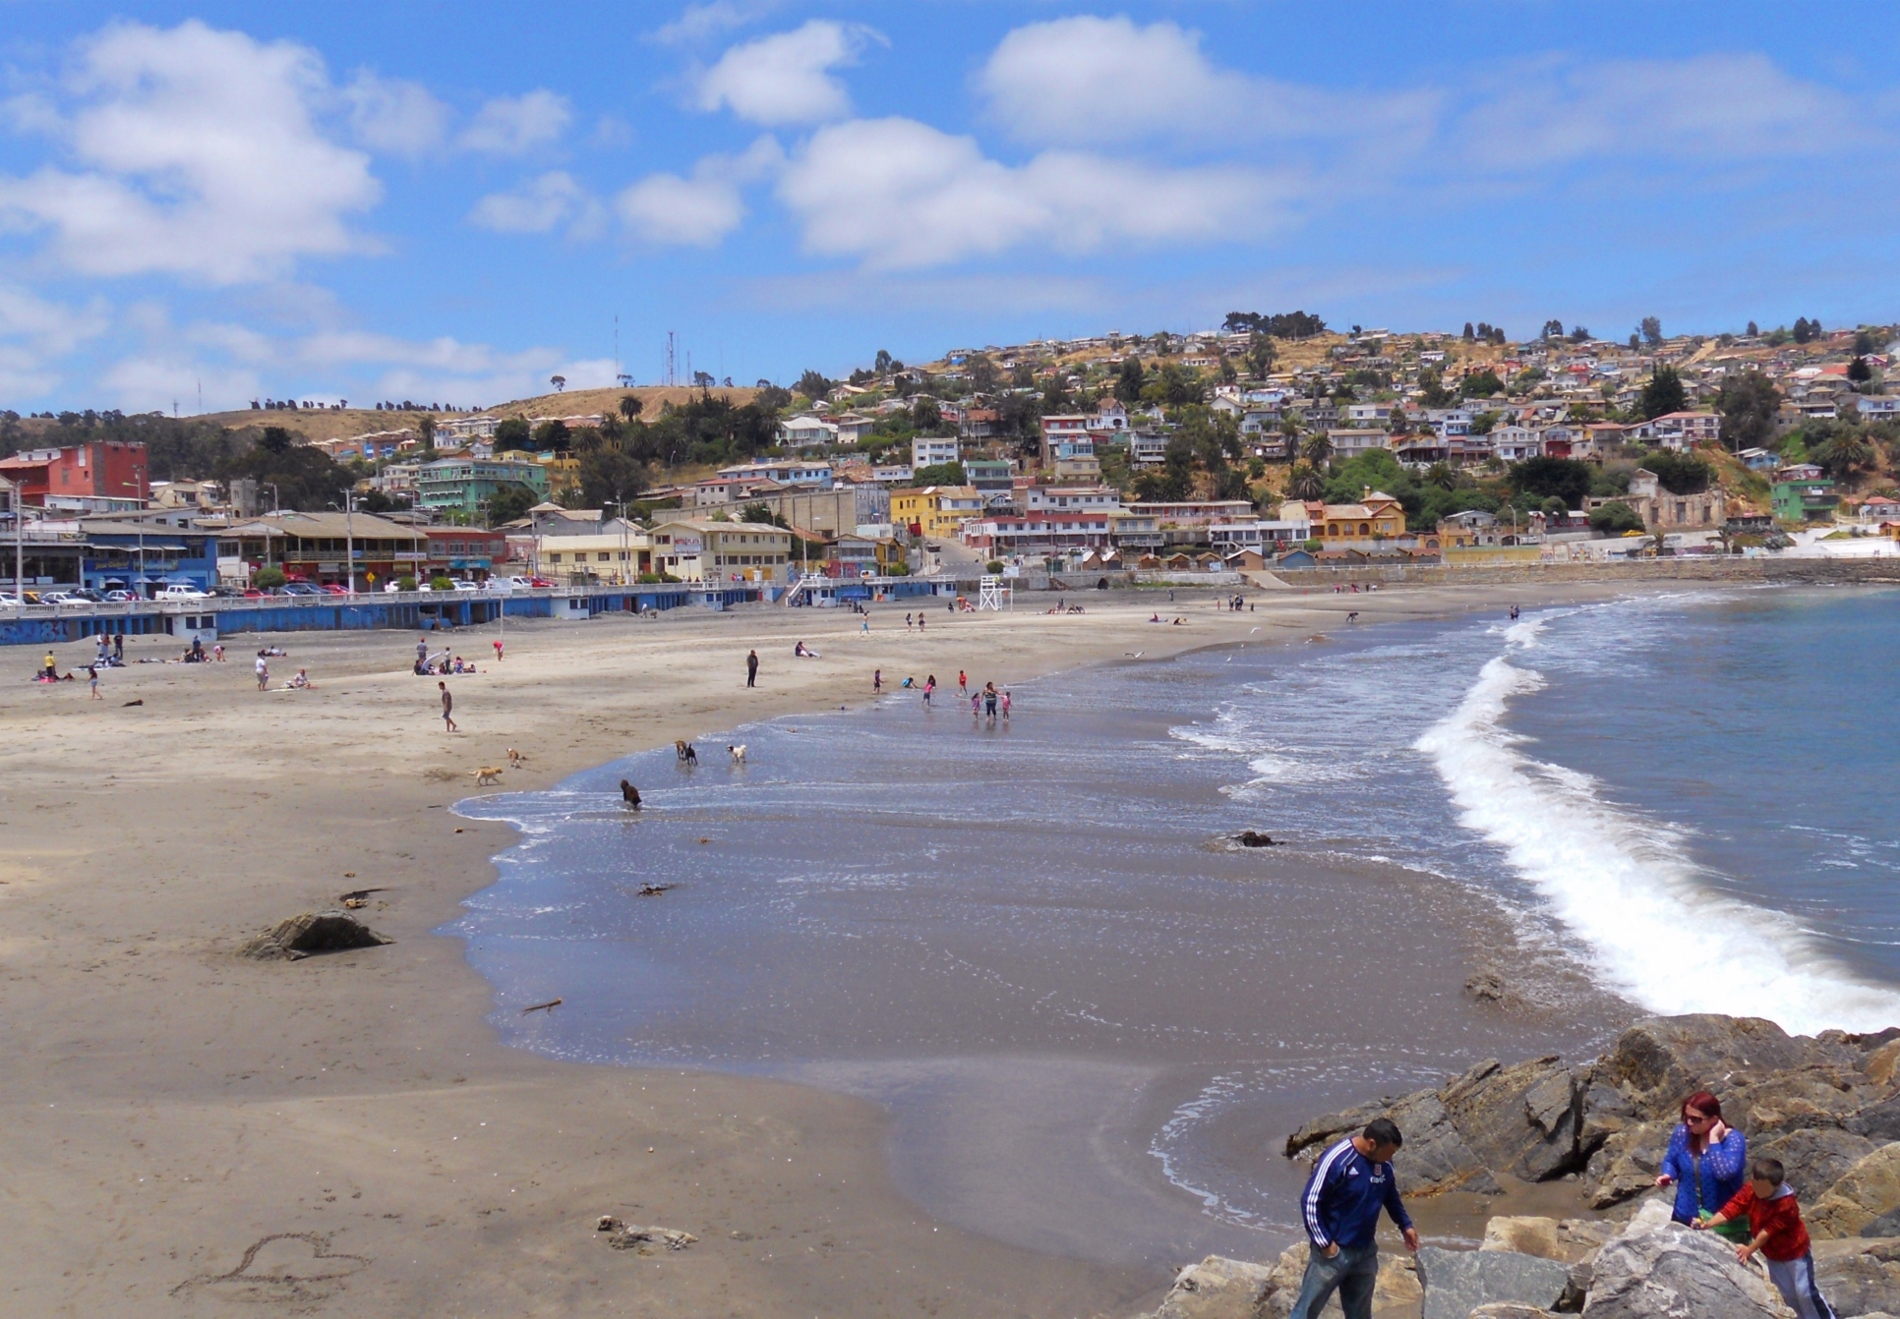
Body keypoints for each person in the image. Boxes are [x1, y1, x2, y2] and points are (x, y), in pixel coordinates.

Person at [1287, 1118, 1420, 1319]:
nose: (1391, 1157)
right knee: (1306, 1311)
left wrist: (1405, 1225)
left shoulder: (1384, 1164)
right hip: (1333, 1253)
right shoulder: (1339, 1159)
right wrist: (1325, 1243)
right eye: (1389, 1152)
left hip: (1365, 1252)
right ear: (1372, 1144)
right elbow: (1310, 1201)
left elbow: (1389, 1195)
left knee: (1360, 1314)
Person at [1696, 1156, 1836, 1319]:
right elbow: (1733, 1207)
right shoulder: (1751, 1190)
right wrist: (1708, 1224)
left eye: (1763, 1188)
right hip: (1773, 1256)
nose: (1758, 1191)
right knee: (1787, 1295)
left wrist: (1749, 1249)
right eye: (1755, 1184)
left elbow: (1768, 1232)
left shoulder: (1786, 1204)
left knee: (1805, 1292)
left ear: (1776, 1186)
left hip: (1796, 1254)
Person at [1657, 1090, 1748, 1237]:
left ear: (1713, 1120)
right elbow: (1671, 1160)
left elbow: (1724, 1173)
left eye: (1696, 1119)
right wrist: (1668, 1174)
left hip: (1720, 1223)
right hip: (1685, 1215)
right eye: (1686, 1117)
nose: (1689, 1123)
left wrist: (1714, 1140)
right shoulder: (1682, 1134)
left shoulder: (1734, 1141)